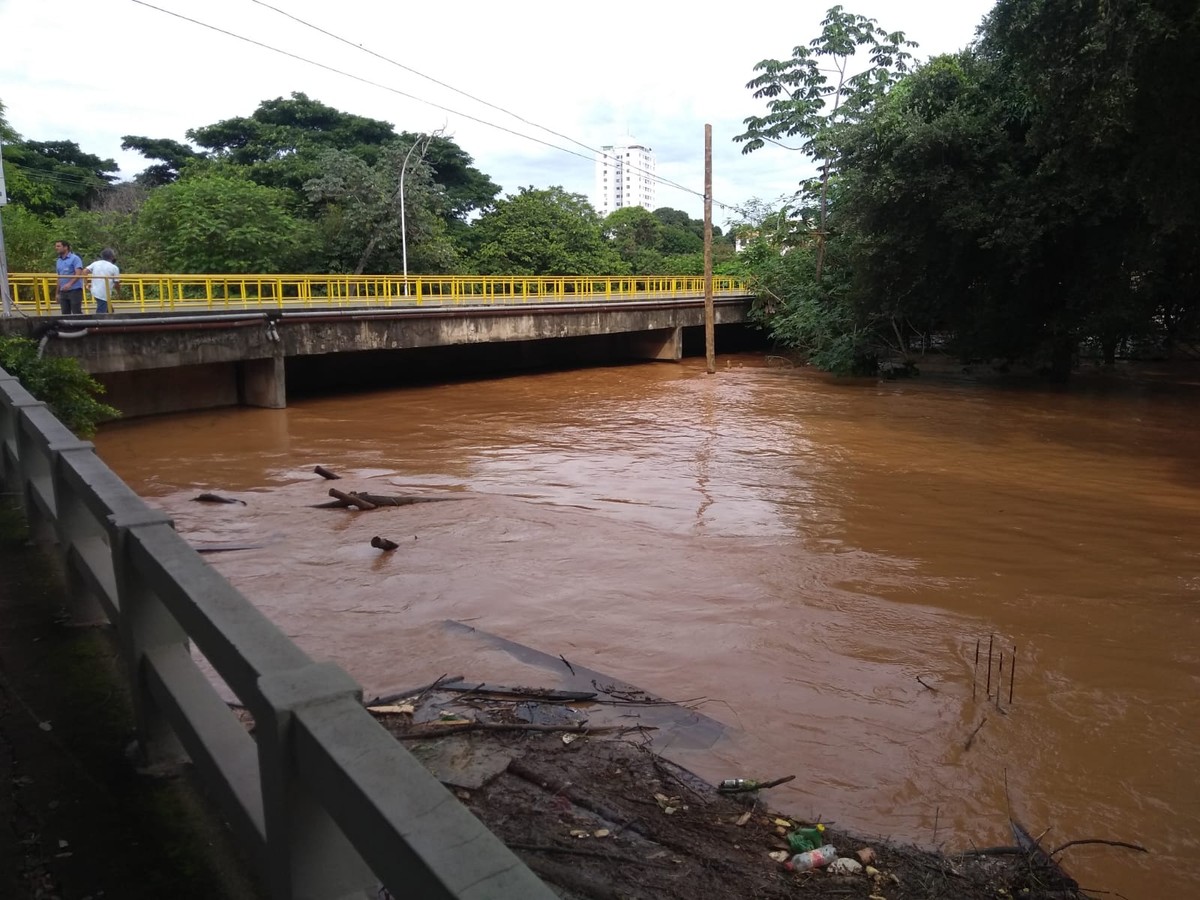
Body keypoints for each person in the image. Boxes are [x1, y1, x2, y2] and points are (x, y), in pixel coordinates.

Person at [84, 248, 121, 314]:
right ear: (112, 257)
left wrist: (86, 283)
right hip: (104, 293)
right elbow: (117, 283)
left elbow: (85, 271)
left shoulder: (96, 263)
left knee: (109, 309)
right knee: (101, 312)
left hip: (95, 290)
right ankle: (98, 323)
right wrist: (118, 293)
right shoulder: (114, 268)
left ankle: (111, 319)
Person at [54, 240, 84, 315]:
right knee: (65, 314)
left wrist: (69, 284)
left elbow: (78, 273)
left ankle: (79, 326)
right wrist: (57, 293)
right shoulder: (58, 261)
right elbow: (59, 277)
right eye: (56, 246)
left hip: (75, 290)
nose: (56, 248)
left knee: (76, 312)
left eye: (58, 246)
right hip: (63, 291)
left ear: (65, 247)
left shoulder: (75, 259)